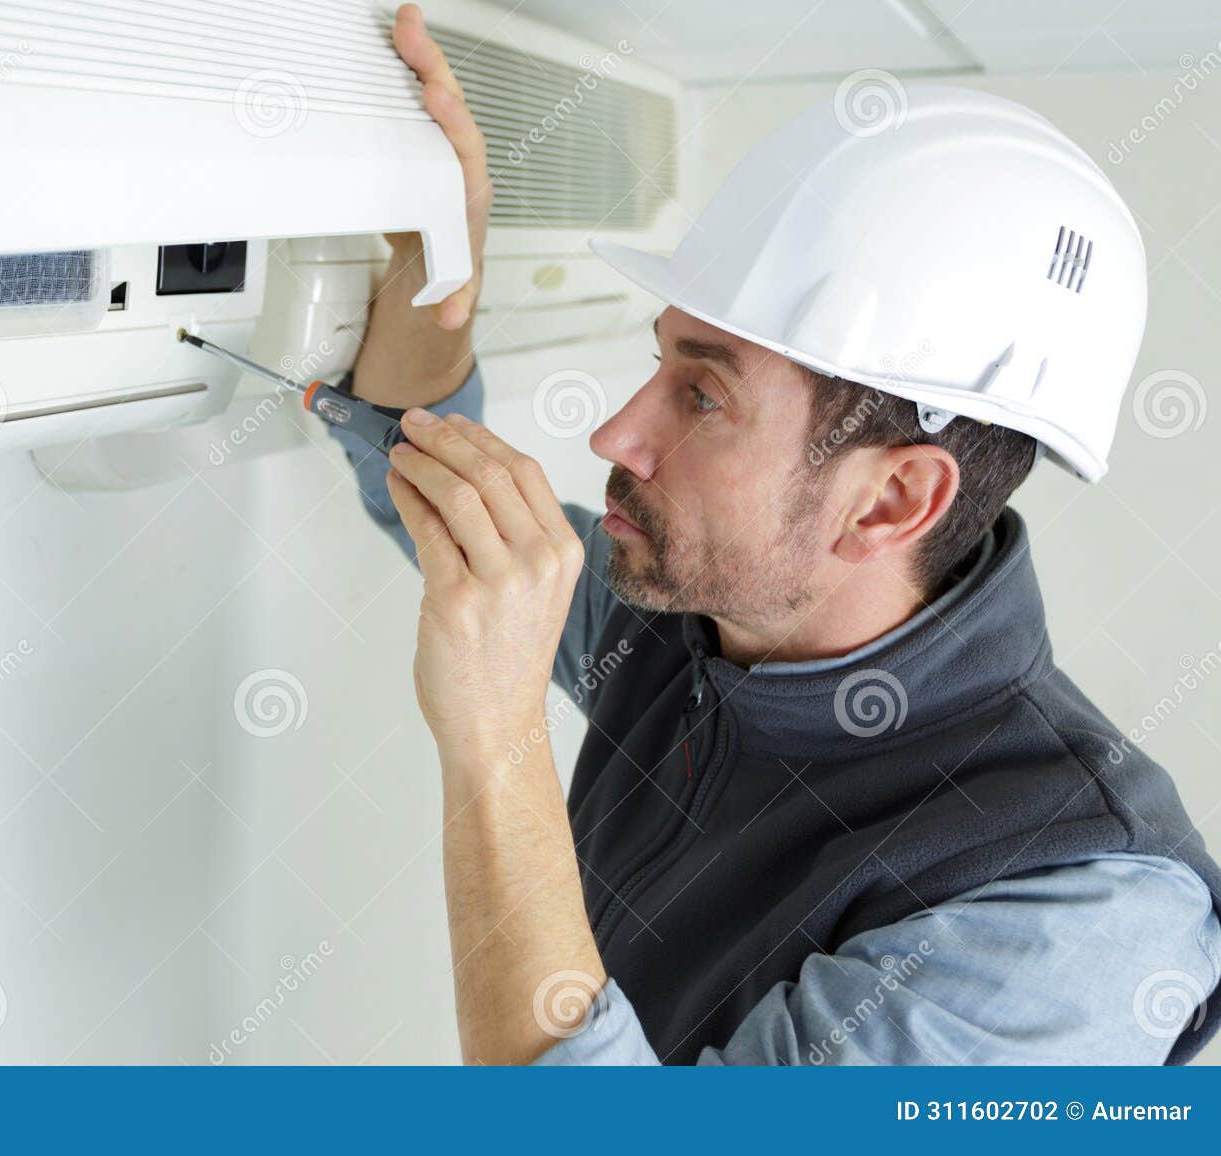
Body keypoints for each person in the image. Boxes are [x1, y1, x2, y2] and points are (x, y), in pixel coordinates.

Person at [332, 4, 1221, 1065]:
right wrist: (431, 271)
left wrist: (494, 741)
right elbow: (429, 497)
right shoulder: (700, 617)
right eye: (659, 362)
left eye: (702, 397)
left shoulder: (1074, 915)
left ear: (890, 503)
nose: (616, 430)